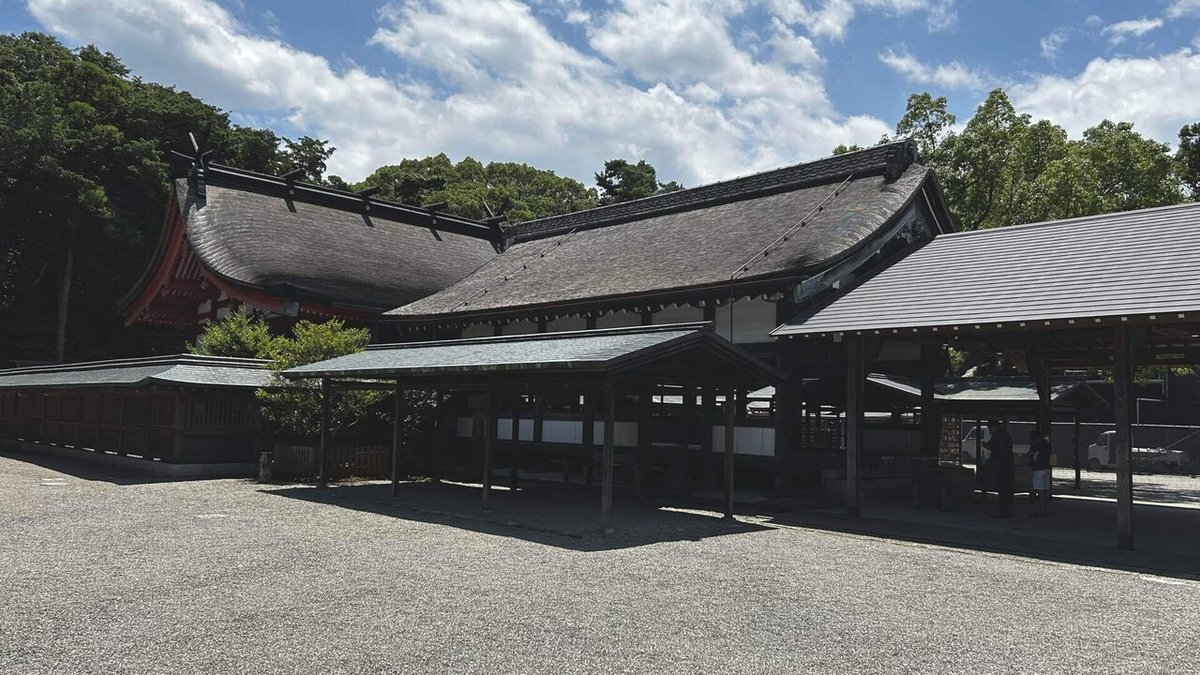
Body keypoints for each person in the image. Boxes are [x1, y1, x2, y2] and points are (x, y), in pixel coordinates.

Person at [985, 420, 1014, 517]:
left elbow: (993, 447)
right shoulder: (1006, 435)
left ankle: (1002, 510)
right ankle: (1006, 510)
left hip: (1001, 466)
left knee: (1002, 488)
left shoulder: (997, 436)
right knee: (1007, 488)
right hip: (1008, 465)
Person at [1029, 429, 1052, 517]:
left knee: (1039, 491)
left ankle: (1039, 511)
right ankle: (1046, 510)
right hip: (1047, 469)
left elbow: (1031, 454)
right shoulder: (1047, 444)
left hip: (1038, 469)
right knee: (1046, 490)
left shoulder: (1036, 445)